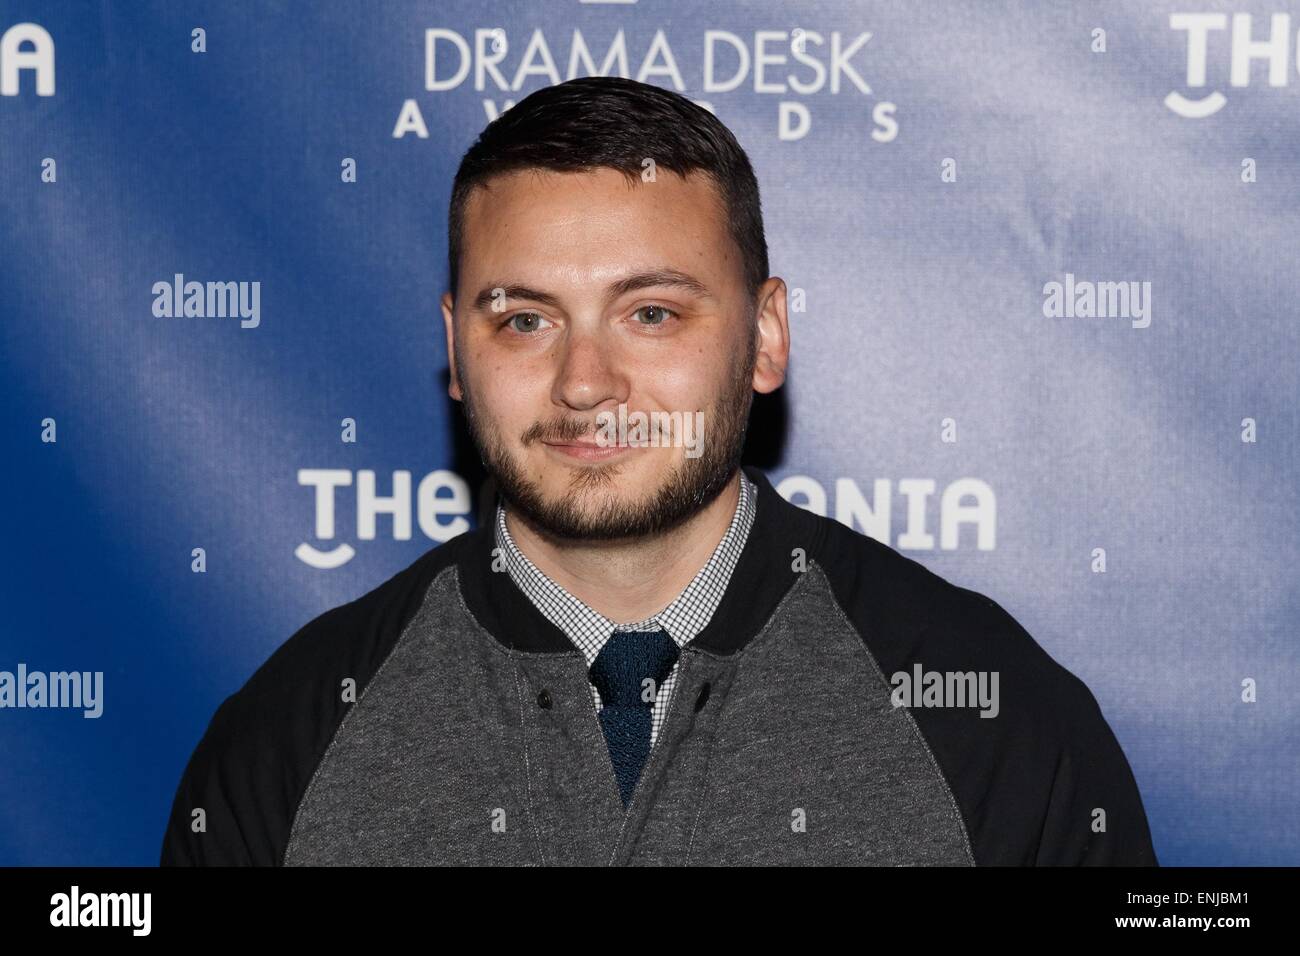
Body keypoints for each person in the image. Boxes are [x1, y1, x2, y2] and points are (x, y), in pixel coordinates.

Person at [160, 75, 1157, 866]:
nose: (585, 381)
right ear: (457, 352)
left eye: (652, 312)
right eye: (523, 319)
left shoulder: (992, 717)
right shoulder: (291, 738)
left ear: (765, 336)